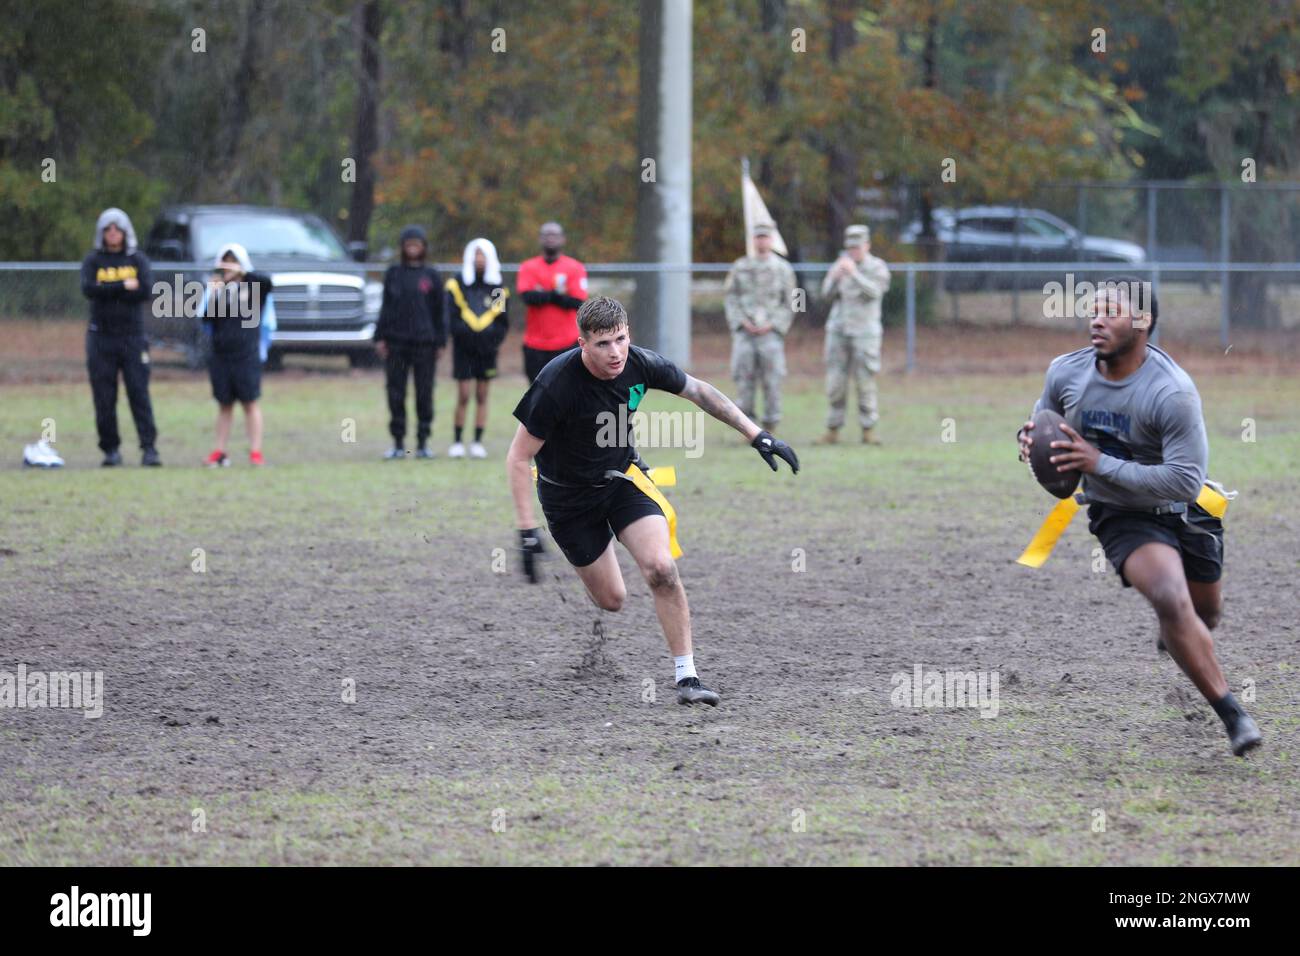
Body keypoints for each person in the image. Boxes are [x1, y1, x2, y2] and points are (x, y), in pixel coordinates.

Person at [507, 296, 800, 706]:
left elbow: (699, 391)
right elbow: (518, 457)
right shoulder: (556, 384)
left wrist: (757, 434)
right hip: (567, 499)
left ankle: (688, 678)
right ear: (581, 344)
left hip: (622, 480)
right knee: (613, 600)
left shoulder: (640, 363)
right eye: (603, 344)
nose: (616, 353)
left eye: (622, 339)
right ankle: (599, 549)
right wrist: (526, 530)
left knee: (662, 569)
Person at [1017, 277, 1262, 756]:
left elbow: (1185, 483)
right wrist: (1027, 441)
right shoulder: (1066, 374)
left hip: (1188, 510)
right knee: (1171, 599)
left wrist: (1097, 462)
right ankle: (1234, 715)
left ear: (1143, 321)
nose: (1097, 318)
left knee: (1204, 612)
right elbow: (1042, 423)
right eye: (1093, 309)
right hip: (1123, 515)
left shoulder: (1171, 393)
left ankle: (1180, 636)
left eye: (1111, 309)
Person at [81, 207, 160, 467]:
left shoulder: (137, 260)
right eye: (108, 229)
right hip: (101, 339)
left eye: (117, 229)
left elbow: (145, 291)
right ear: (101, 233)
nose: (113, 234)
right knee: (104, 396)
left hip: (132, 338)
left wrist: (108, 290)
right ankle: (110, 450)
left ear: (126, 232)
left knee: (139, 392)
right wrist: (123, 286)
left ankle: (149, 448)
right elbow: (89, 290)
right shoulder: (93, 261)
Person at [198, 243, 275, 467]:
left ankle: (255, 452)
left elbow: (268, 281)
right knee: (224, 404)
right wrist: (214, 294)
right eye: (225, 261)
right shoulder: (218, 289)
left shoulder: (255, 286)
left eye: (233, 261)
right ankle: (220, 451)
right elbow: (206, 319)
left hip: (246, 354)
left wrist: (243, 272)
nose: (228, 267)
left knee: (250, 403)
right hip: (221, 355)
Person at [374, 225, 446, 459]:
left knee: (424, 393)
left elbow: (439, 311)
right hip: (396, 344)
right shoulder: (393, 273)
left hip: (424, 344)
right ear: (403, 247)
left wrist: (440, 341)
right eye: (409, 244)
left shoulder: (432, 275)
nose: (413, 248)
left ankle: (423, 443)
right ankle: (398, 443)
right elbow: (385, 307)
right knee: (396, 392)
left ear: (423, 247)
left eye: (417, 244)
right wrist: (380, 336)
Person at [817, 224, 891, 445]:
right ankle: (832, 429)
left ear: (867, 245)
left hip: (865, 333)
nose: (853, 251)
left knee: (865, 381)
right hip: (838, 330)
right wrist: (834, 277)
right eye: (850, 247)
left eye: (857, 247)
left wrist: (854, 274)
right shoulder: (840, 266)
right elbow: (825, 296)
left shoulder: (877, 267)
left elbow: (875, 293)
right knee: (835, 382)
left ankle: (868, 429)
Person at [723, 221, 796, 431]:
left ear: (772, 240)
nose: (761, 240)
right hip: (744, 334)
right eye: (758, 236)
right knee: (743, 379)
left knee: (772, 380)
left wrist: (775, 325)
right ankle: (747, 427)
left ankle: (771, 425)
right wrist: (740, 322)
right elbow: (730, 298)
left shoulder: (783, 269)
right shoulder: (740, 267)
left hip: (771, 335)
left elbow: (794, 301)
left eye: (765, 236)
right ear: (753, 239)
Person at [445, 238, 509, 459]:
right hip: (464, 350)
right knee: (463, 395)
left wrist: (490, 340)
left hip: (487, 352)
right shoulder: (458, 284)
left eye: (483, 255)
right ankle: (456, 441)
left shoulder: (496, 288)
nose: (479, 259)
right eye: (476, 254)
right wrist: (465, 334)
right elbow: (451, 318)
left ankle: (477, 442)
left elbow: (502, 321)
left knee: (482, 395)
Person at [516, 221, 587, 382]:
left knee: (568, 393)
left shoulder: (575, 267)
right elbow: (528, 297)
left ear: (563, 239)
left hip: (567, 343)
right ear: (540, 239)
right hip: (535, 344)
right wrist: (558, 295)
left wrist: (544, 294)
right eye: (546, 235)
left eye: (554, 235)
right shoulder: (528, 267)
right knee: (537, 395)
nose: (550, 238)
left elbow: (577, 301)